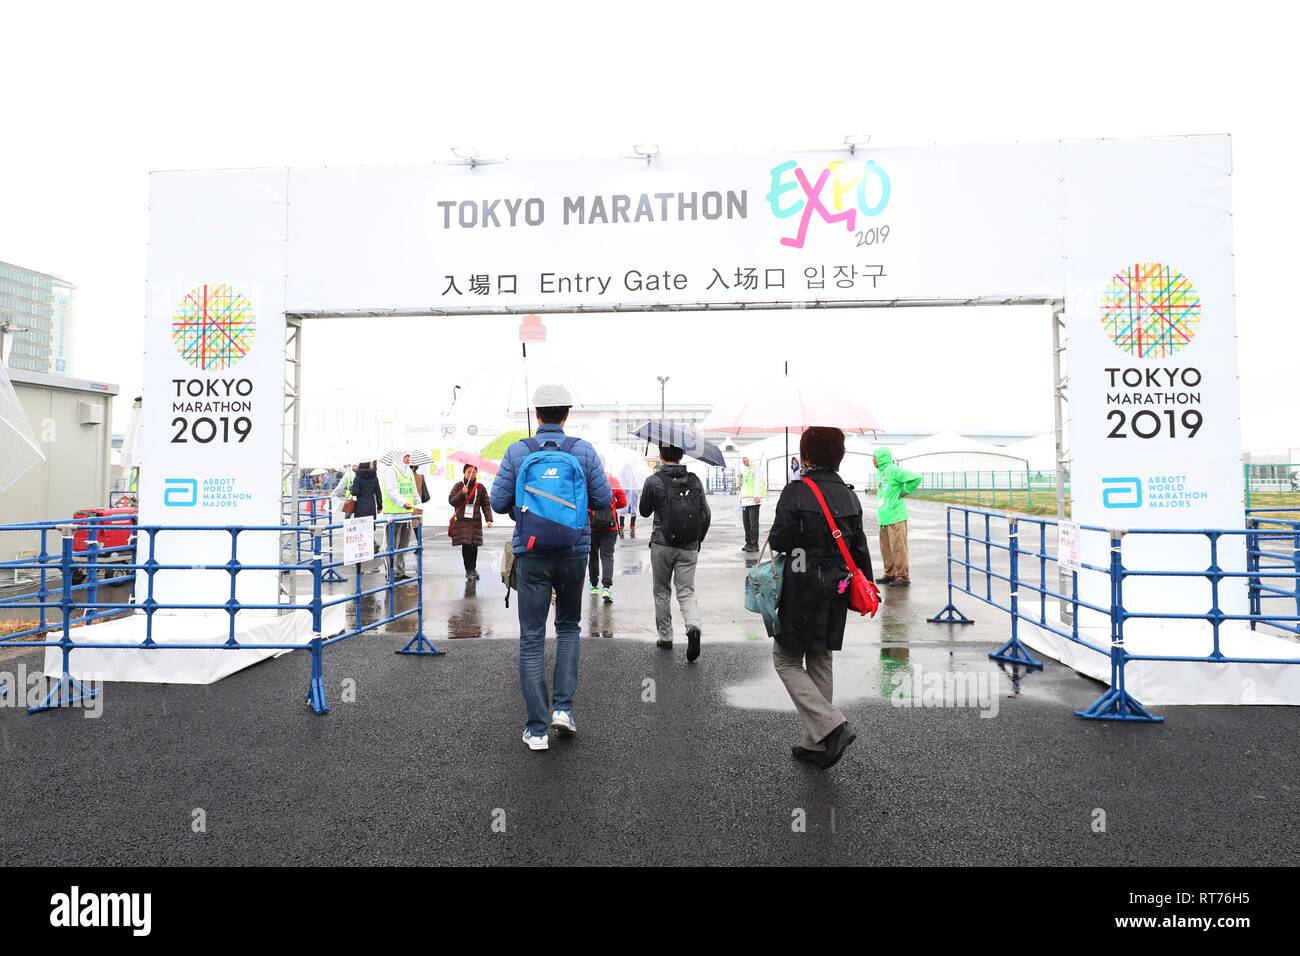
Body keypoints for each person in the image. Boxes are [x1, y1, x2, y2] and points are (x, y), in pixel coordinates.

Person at [490, 384, 612, 752]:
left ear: (538, 415)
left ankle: (537, 729)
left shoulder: (518, 451)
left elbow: (497, 503)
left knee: (531, 637)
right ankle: (563, 710)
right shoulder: (583, 450)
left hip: (531, 552)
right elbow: (604, 499)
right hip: (574, 551)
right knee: (569, 628)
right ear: (567, 414)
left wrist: (526, 512)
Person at [768, 427, 873, 770]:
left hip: (801, 583)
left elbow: (781, 540)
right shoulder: (849, 496)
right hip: (838, 586)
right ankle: (816, 742)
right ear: (838, 456)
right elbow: (859, 547)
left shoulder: (796, 491)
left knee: (785, 658)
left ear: (807, 455)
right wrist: (868, 585)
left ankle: (831, 725)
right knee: (820, 656)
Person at [639, 445, 710, 661]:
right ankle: (693, 626)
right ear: (681, 456)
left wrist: (646, 495)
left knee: (662, 591)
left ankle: (666, 636)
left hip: (662, 544)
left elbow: (643, 512)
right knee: (686, 591)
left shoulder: (654, 481)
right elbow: (705, 514)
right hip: (689, 545)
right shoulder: (695, 480)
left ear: (661, 455)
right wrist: (698, 541)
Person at [873, 447, 922, 587]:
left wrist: (906, 491)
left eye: (875, 457)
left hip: (896, 516)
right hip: (884, 517)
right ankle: (890, 574)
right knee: (886, 548)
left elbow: (916, 478)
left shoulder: (895, 470)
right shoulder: (881, 472)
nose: (873, 459)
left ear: (882, 457)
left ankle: (903, 577)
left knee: (898, 548)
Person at [588, 465, 627, 602]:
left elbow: (585, 504)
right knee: (607, 556)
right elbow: (623, 502)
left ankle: (593, 585)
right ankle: (606, 587)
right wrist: (612, 506)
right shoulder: (613, 481)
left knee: (593, 555)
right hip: (610, 527)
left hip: (592, 526)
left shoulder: (590, 482)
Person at [449, 463, 492, 579]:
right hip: (462, 521)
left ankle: (473, 568)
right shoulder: (458, 486)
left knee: (474, 546)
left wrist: (489, 519)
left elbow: (486, 504)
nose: (471, 474)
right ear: (464, 473)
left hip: (475, 522)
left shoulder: (480, 487)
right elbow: (452, 501)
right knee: (466, 545)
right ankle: (468, 570)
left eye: (473, 472)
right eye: (469, 472)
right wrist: (462, 493)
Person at [380, 452, 419, 579]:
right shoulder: (391, 471)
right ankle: (390, 573)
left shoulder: (409, 472)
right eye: (405, 456)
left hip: (406, 515)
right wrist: (403, 503)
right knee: (392, 546)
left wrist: (418, 504)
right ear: (398, 458)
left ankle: (400, 571)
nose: (408, 459)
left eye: (409, 456)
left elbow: (414, 491)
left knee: (403, 546)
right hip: (393, 516)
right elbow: (391, 491)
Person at [739, 455, 766, 552]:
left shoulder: (756, 468)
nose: (744, 460)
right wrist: (741, 498)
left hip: (754, 501)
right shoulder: (746, 470)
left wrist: (757, 496)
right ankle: (748, 543)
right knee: (746, 523)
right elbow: (744, 485)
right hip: (745, 501)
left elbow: (758, 482)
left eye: (745, 458)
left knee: (753, 523)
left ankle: (754, 544)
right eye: (743, 459)